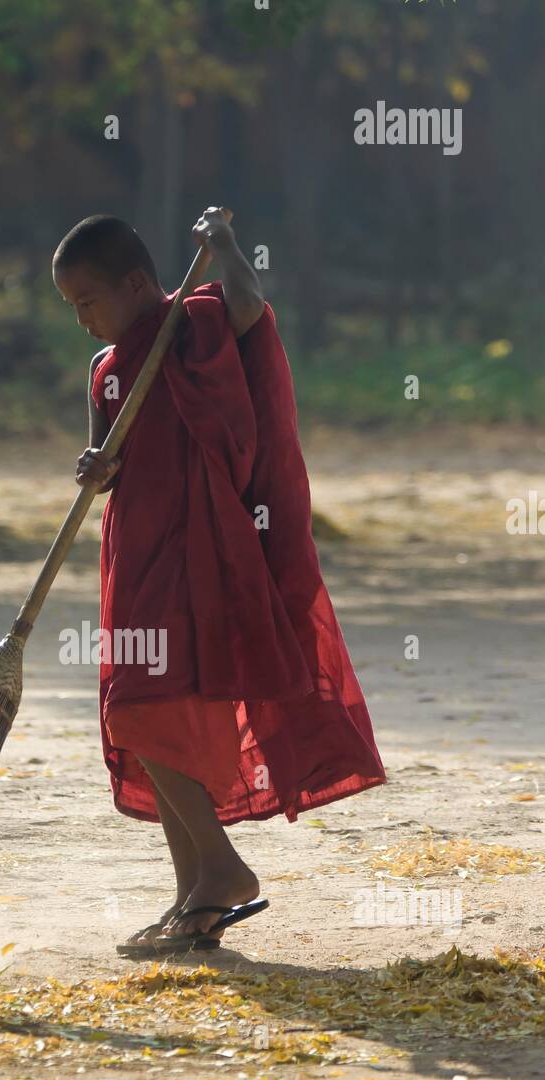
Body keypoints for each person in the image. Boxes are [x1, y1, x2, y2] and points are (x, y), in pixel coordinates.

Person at [52, 208, 386, 957]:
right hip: (136, 554)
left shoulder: (194, 322)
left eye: (88, 302)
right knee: (141, 711)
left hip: (202, 551)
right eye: (71, 308)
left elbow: (248, 306)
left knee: (139, 709)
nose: (81, 320)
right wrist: (96, 466)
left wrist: (228, 248)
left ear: (138, 284)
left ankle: (225, 873)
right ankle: (193, 895)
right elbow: (108, 456)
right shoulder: (107, 369)